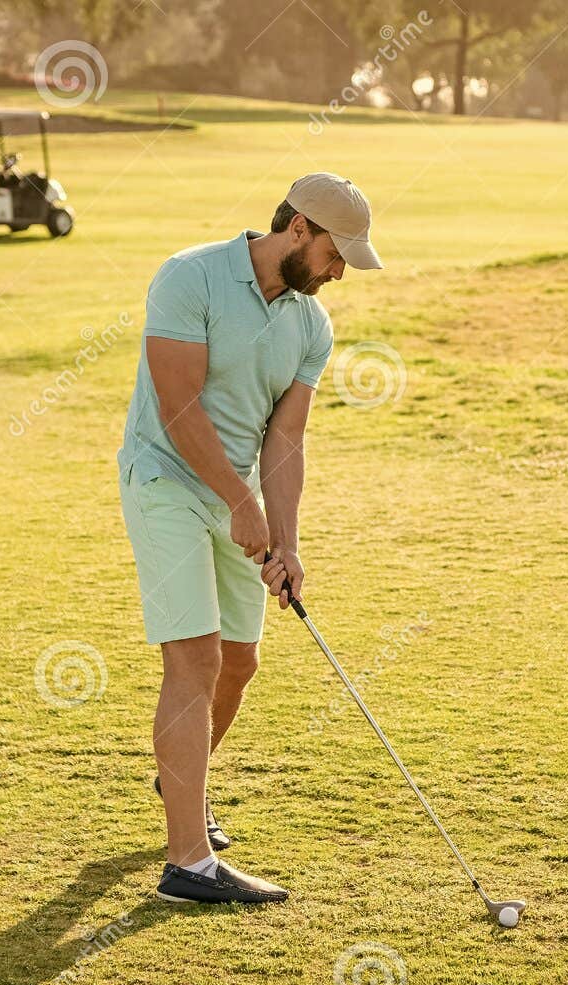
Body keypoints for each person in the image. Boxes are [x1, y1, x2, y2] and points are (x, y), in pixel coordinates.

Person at [116, 174, 383, 904]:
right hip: (166, 481)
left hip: (237, 499)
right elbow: (176, 403)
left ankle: (180, 779)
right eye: (334, 254)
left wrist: (286, 541)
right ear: (298, 228)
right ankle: (187, 865)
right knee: (196, 658)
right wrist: (241, 502)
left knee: (240, 661)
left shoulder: (311, 325)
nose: (338, 273)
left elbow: (286, 438)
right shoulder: (190, 276)